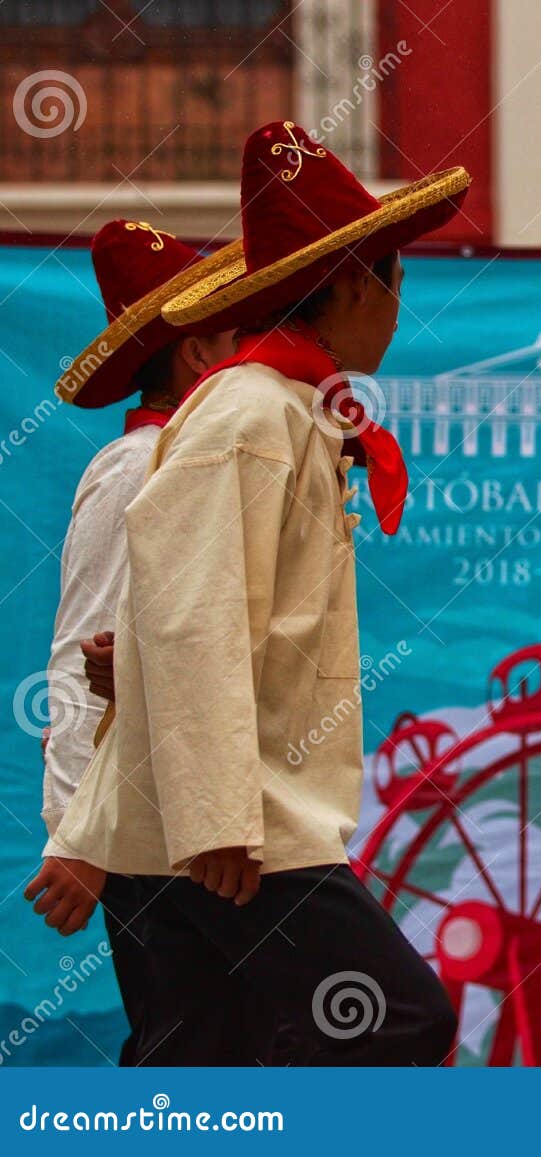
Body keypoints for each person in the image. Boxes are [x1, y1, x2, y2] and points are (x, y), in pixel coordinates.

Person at [38, 120, 471, 1066]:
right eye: (397, 279)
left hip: (213, 814)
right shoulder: (252, 414)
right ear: (357, 283)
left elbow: (181, 613)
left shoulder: (278, 410)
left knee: (210, 1059)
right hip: (238, 824)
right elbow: (196, 617)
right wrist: (219, 817)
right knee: (400, 1021)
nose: (401, 310)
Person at [25, 220, 242, 1064]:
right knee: (184, 1045)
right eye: (233, 338)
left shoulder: (189, 463)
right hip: (149, 824)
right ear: (196, 358)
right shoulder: (136, 468)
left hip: (193, 814)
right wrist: (78, 834)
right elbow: (83, 654)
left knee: (208, 1046)